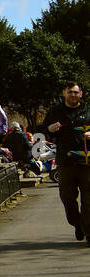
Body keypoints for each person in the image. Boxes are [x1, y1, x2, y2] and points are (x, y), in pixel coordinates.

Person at [37, 81, 90, 243]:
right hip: (66, 162)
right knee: (67, 199)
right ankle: (78, 223)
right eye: (70, 92)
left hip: (87, 162)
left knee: (89, 200)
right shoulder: (56, 112)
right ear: (64, 93)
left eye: (76, 92)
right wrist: (50, 130)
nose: (73, 95)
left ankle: (89, 233)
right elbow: (41, 132)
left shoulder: (88, 111)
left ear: (81, 94)